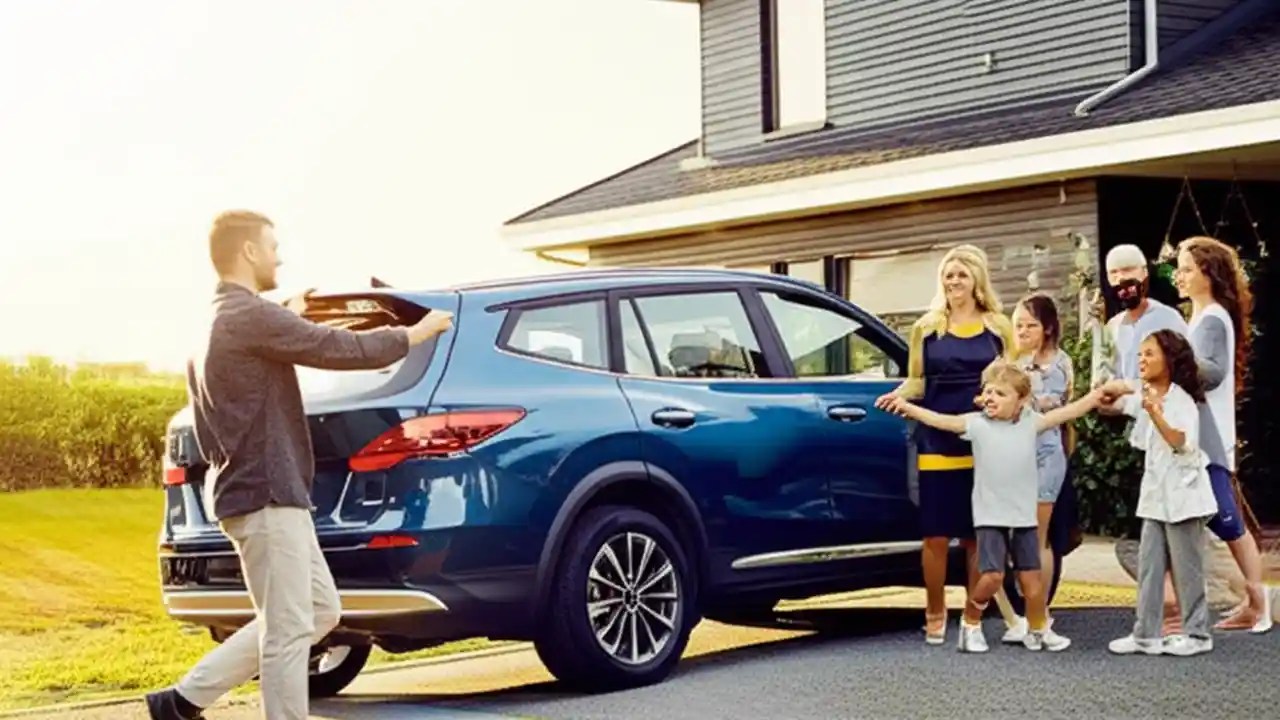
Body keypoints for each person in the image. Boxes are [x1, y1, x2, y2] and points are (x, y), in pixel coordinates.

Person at [145, 211, 454, 720]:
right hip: (265, 494)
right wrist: (412, 335)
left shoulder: (222, 317)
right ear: (248, 252)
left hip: (261, 494)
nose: (279, 255)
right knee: (288, 627)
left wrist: (287, 313)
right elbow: (336, 347)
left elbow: (272, 344)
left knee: (316, 611)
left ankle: (182, 700)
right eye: (272, 246)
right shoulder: (247, 317)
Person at [883, 359, 1102, 652]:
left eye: (1000, 394)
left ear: (1022, 400)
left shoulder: (1030, 423)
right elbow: (940, 419)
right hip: (990, 516)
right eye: (988, 392)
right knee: (992, 576)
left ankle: (1038, 629)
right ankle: (971, 622)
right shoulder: (977, 425)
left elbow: (1066, 412)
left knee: (1031, 581)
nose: (990, 398)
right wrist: (907, 407)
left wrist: (1097, 396)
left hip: (1023, 516)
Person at [874, 244, 1017, 645]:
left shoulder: (998, 326)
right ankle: (935, 611)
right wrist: (898, 396)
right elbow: (918, 381)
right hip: (936, 435)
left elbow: (1013, 380)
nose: (954, 282)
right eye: (948, 275)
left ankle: (972, 616)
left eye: (962, 275)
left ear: (977, 281)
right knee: (935, 535)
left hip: (984, 438)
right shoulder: (927, 327)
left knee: (976, 534)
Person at [1099, 330, 1219, 657]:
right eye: (1140, 354)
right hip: (1155, 498)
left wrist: (1155, 414)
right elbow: (1126, 395)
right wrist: (1105, 393)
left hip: (1184, 498)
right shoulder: (1149, 393)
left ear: (1169, 359)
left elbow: (1181, 441)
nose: (1142, 360)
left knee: (1187, 570)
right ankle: (1145, 634)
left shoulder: (1181, 400)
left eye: (1149, 354)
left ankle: (1197, 633)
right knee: (1149, 567)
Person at [1173, 236, 1272, 633]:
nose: (1177, 276)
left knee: (1227, 522)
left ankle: (1258, 603)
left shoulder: (1211, 318)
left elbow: (1210, 372)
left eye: (1185, 268)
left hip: (1207, 436)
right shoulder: (1202, 316)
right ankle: (1251, 602)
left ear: (1208, 274)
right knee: (1219, 522)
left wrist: (1172, 364)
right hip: (1200, 433)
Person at [996, 294, 1075, 643]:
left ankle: (1040, 613)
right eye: (1018, 325)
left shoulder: (1061, 364)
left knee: (1037, 536)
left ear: (1048, 328)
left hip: (1046, 456)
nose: (1023, 331)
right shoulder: (1009, 364)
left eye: (1031, 325)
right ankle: (1029, 613)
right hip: (1013, 458)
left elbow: (1056, 406)